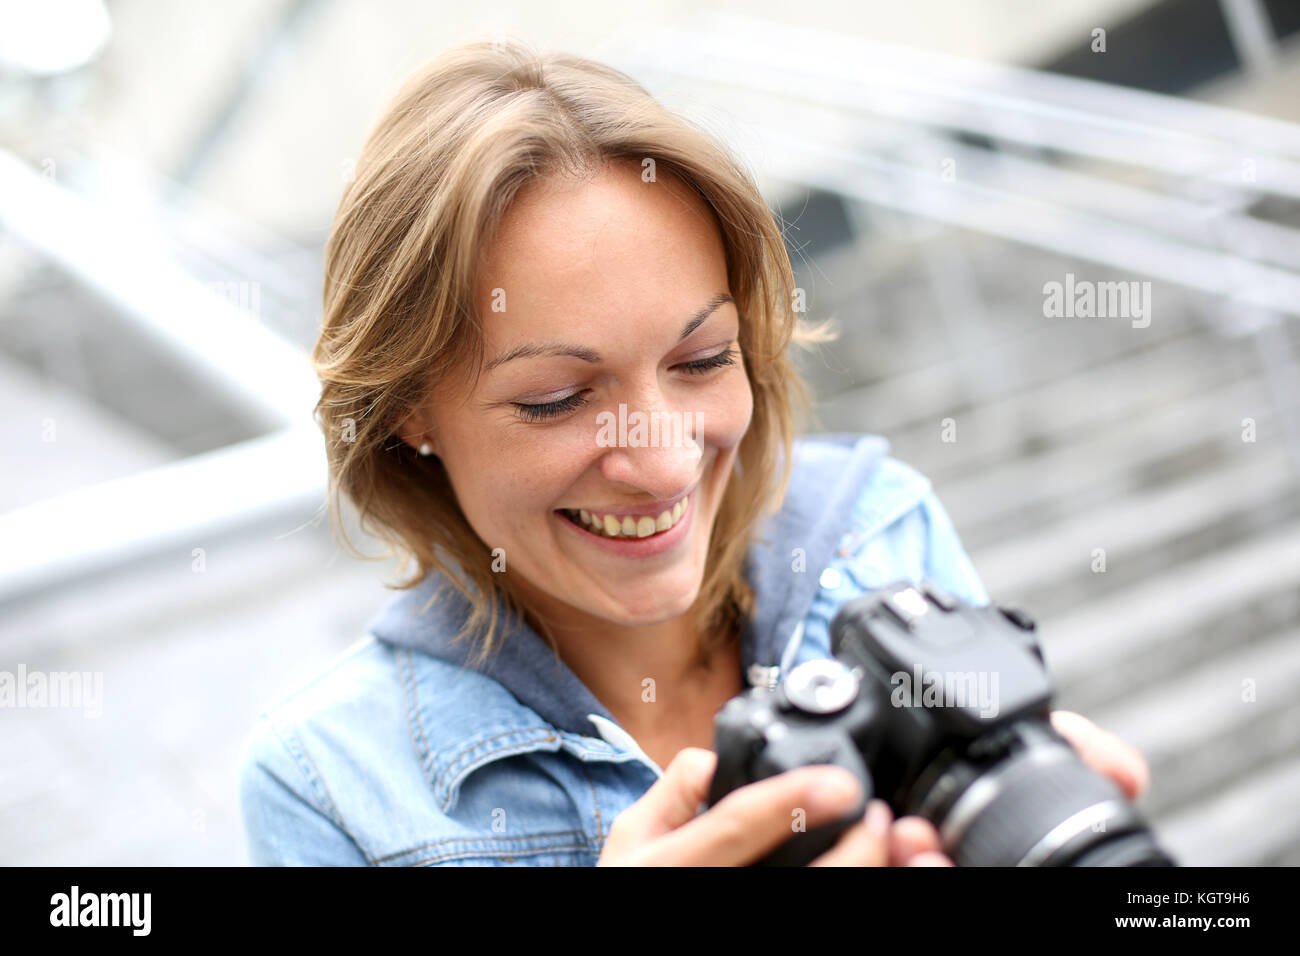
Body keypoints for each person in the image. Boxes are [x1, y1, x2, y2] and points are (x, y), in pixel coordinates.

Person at [238, 38, 1150, 867]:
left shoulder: (884, 531)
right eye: (557, 399)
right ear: (408, 414)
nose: (668, 463)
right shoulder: (329, 786)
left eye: (703, 358)